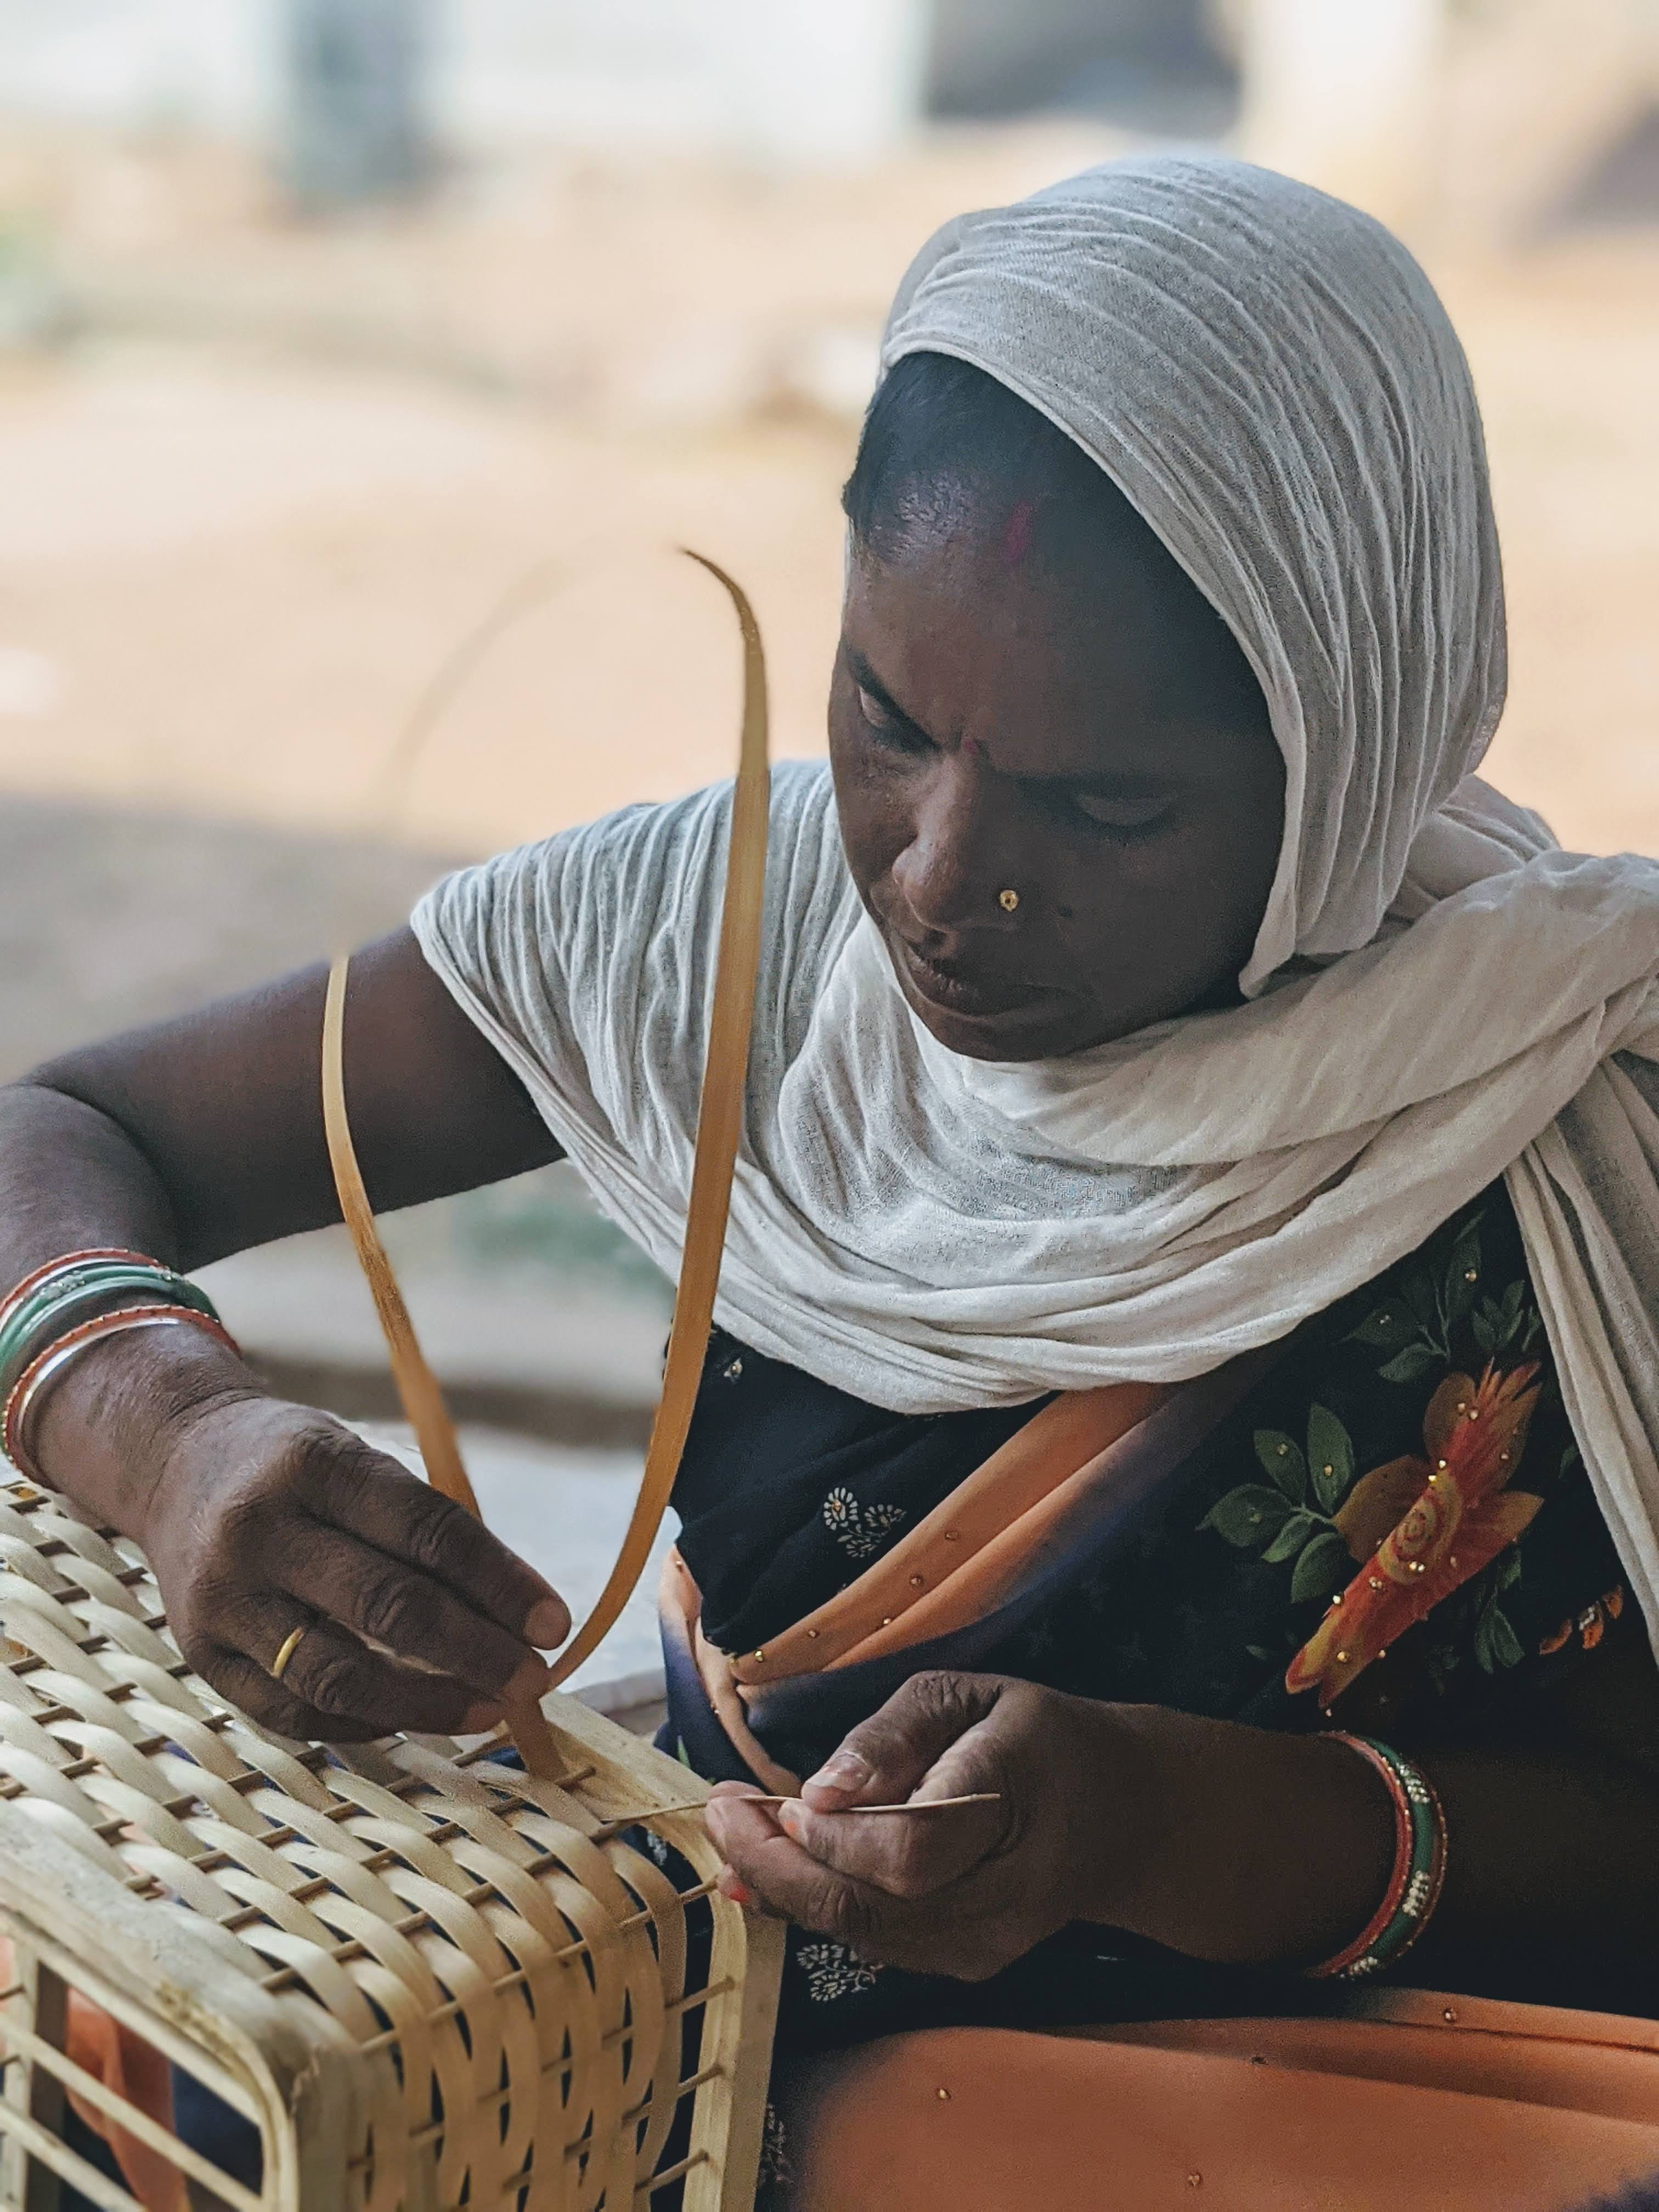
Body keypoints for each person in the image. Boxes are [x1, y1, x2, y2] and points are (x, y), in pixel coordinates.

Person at [3, 155, 1658, 2210]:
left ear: (1344, 752)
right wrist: (165, 1428)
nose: (945, 879)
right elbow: (64, 1133)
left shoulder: (1549, 1121)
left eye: (1108, 803)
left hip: (1289, 2081)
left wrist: (1168, 1824)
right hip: (681, 1959)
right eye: (887, 719)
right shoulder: (740, 926)